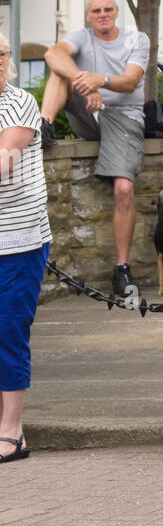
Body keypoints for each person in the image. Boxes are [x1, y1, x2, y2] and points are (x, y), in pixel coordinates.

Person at [42, 0, 149, 298]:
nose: (102, 15)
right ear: (88, 16)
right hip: (89, 111)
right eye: (96, 11)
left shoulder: (135, 39)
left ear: (116, 11)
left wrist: (98, 81)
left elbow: (130, 81)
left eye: (107, 9)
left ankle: (122, 268)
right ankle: (45, 124)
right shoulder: (81, 37)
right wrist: (86, 85)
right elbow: (52, 54)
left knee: (124, 188)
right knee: (61, 66)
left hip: (123, 117)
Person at [0, 33, 51, 462]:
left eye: (0, 55)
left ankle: (12, 433)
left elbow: (5, 160)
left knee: (9, 331)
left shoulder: (19, 103)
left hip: (18, 241)